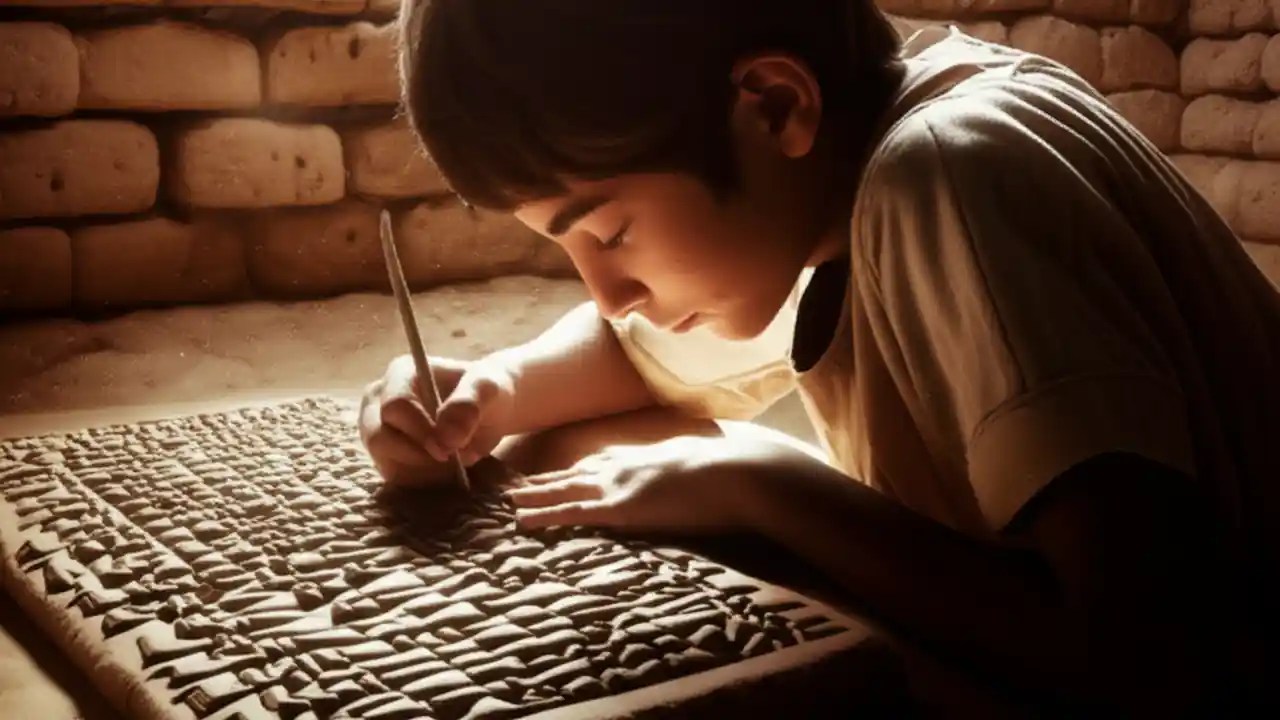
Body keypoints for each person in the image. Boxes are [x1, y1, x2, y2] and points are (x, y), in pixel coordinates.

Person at [359, 0, 1280, 713]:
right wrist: (489, 391)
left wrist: (768, 484)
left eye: (610, 230)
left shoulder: (946, 177)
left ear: (774, 105)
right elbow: (638, 354)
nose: (607, 290)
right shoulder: (832, 184)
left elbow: (1148, 662)